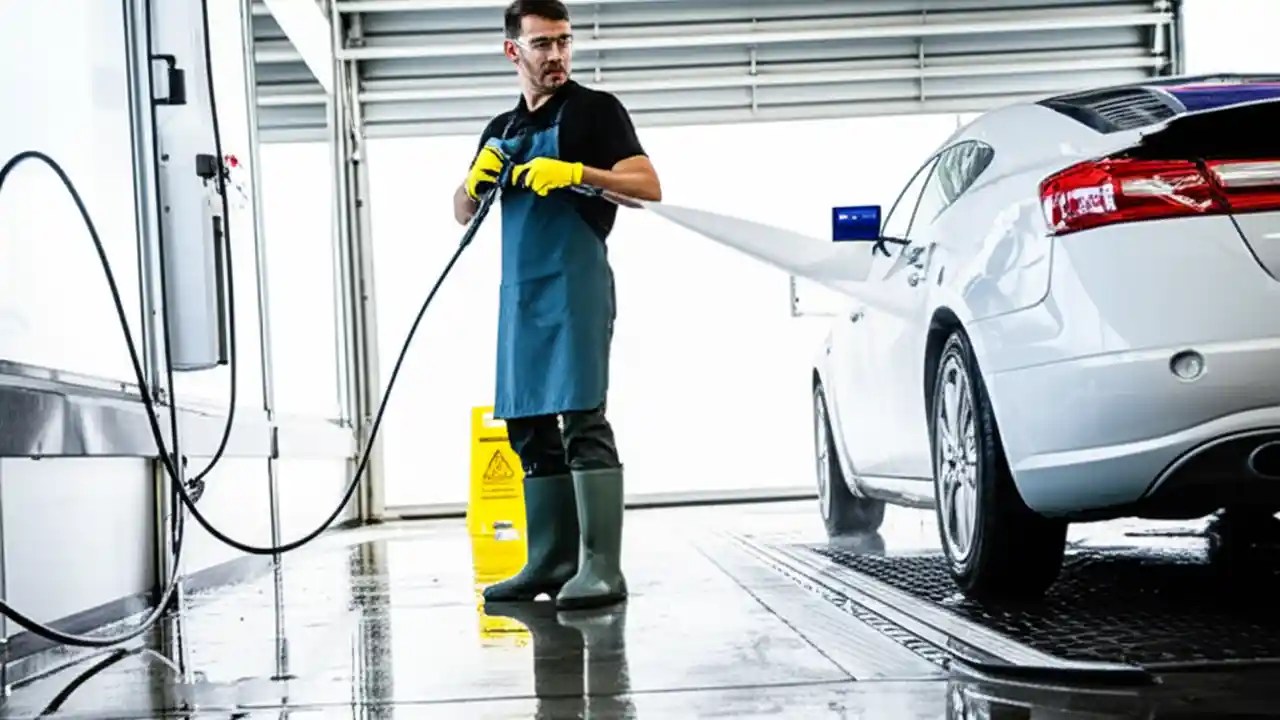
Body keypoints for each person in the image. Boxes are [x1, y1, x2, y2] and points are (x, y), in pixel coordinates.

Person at [453, 0, 662, 611]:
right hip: (520, 293)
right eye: (542, 44)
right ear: (512, 51)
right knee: (526, 424)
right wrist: (473, 182)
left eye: (564, 42)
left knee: (582, 416)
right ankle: (549, 560)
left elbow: (647, 187)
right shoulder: (502, 129)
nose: (557, 56)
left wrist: (578, 172)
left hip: (575, 283)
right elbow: (462, 212)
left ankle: (602, 568)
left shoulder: (596, 111)